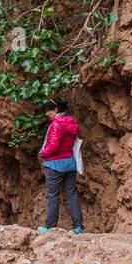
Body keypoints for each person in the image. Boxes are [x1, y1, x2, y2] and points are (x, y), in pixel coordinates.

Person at [37, 98, 84, 235]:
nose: (47, 113)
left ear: (56, 110)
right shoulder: (72, 122)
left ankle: (49, 227)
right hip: (70, 162)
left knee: (53, 196)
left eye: (48, 110)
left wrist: (42, 154)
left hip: (55, 164)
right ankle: (78, 227)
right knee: (72, 194)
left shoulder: (56, 124)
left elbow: (53, 146)